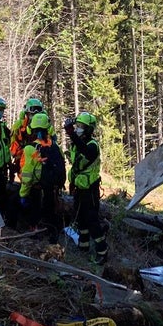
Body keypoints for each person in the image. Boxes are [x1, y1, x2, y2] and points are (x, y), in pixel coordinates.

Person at [65, 111, 107, 265]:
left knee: (92, 220)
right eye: (77, 126)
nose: (78, 129)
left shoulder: (92, 145)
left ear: (89, 129)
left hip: (90, 189)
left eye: (81, 126)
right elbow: (77, 164)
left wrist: (72, 135)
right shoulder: (77, 143)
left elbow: (86, 153)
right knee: (80, 218)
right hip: (79, 187)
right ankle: (83, 246)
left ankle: (102, 251)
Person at [18, 112, 65, 242]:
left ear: (31, 129)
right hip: (52, 188)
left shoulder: (30, 149)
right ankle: (52, 236)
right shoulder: (55, 146)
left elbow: (27, 175)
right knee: (50, 212)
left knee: (35, 212)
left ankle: (35, 233)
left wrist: (23, 194)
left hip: (36, 189)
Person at [9, 97, 50, 177]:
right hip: (24, 159)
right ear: (27, 113)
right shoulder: (19, 126)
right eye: (32, 114)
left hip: (42, 159)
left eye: (37, 114)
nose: (34, 116)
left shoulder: (47, 126)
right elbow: (13, 145)